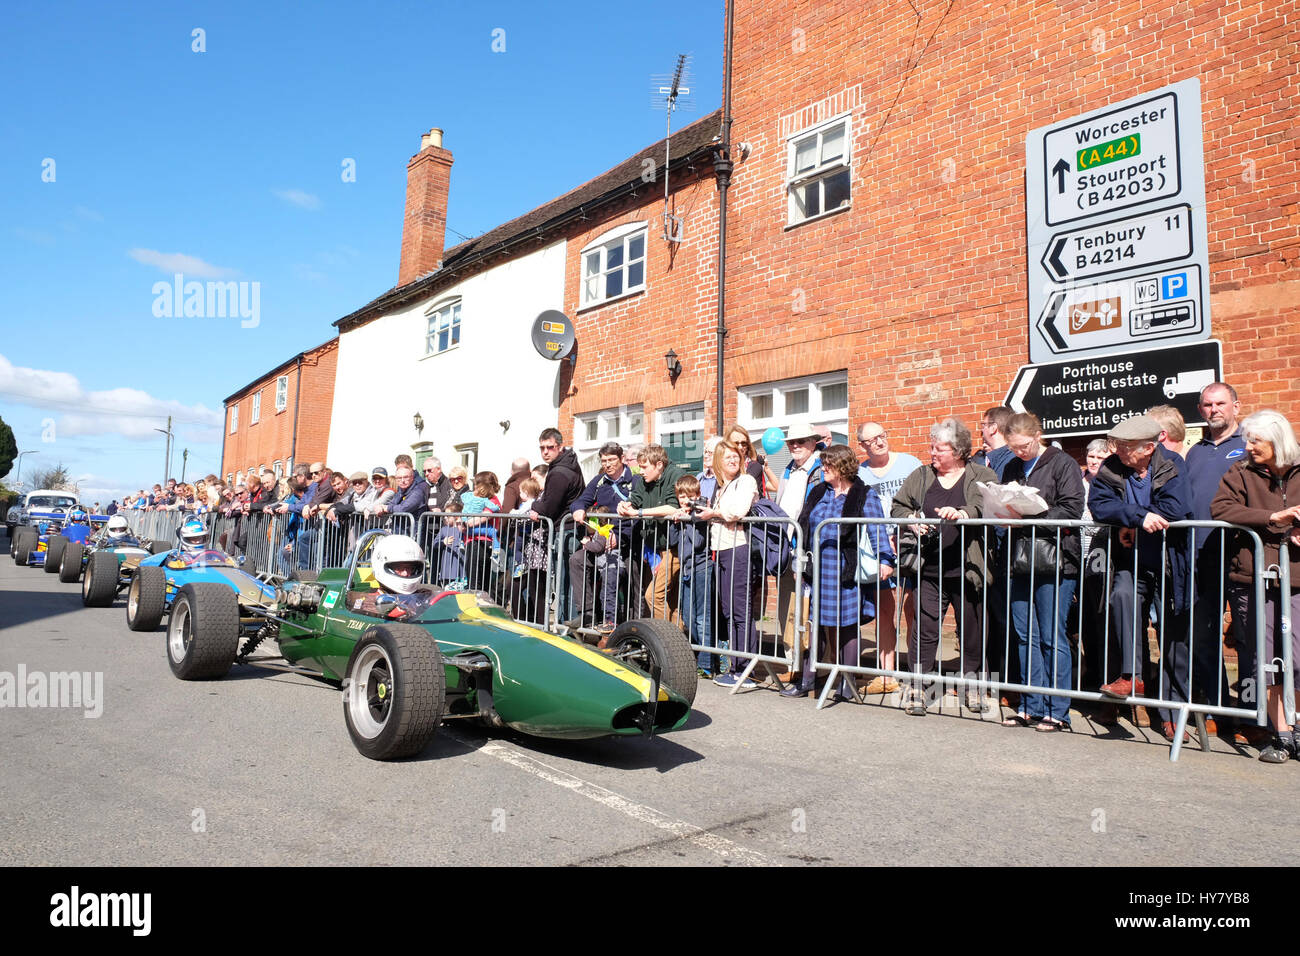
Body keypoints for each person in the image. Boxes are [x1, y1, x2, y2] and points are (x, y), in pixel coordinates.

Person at [1087, 414, 1194, 740]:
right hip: (1131, 561)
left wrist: (1142, 513)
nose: (1118, 451)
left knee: (1173, 639)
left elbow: (1177, 507)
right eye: (1117, 445)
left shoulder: (1172, 463)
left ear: (1149, 447)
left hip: (1169, 563)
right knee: (1121, 597)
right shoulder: (1112, 468)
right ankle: (1131, 676)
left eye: (1126, 447)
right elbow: (1099, 505)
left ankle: (1173, 712)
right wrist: (1139, 515)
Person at [1212, 409, 1300, 763]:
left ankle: (1297, 727)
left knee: (1298, 656)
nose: (1247, 446)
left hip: (1295, 577)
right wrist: (1272, 517)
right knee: (1269, 660)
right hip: (1254, 577)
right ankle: (1280, 735)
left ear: (1277, 442)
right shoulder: (1241, 471)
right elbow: (1220, 509)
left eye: (1255, 441)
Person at [891, 417, 996, 716]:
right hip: (930, 569)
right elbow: (899, 506)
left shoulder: (981, 473)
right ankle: (918, 688)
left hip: (969, 569)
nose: (933, 453)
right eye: (932, 447)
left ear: (959, 450)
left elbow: (987, 505)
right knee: (924, 631)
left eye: (939, 449)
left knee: (973, 632)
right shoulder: (921, 475)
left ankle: (972, 687)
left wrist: (963, 513)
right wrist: (912, 520)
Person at [999, 413, 1085, 731]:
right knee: (1026, 636)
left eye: (1023, 446)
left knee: (1052, 636)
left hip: (1056, 560)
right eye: (1013, 447)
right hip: (1019, 558)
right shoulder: (1010, 466)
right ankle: (1030, 705)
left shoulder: (1063, 464)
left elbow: (1072, 508)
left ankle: (1057, 709)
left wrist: (1031, 513)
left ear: (1038, 435)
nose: (1019, 452)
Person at [790, 444, 895, 700]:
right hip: (819, 569)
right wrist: (799, 560)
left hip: (846, 570)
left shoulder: (863, 495)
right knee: (815, 625)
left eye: (828, 464)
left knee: (847, 627)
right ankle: (807, 680)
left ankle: (847, 685)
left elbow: (876, 528)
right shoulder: (818, 492)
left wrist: (885, 558)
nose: (823, 468)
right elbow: (803, 525)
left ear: (842, 467)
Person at [1185, 382, 1254, 741]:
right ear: (1200, 410)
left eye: (1221, 403)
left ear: (1236, 407)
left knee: (1247, 639)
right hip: (1202, 557)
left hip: (1242, 555)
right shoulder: (1194, 452)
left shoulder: (1249, 446)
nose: (1214, 410)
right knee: (1205, 637)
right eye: (1208, 404)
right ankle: (1216, 710)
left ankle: (1250, 716)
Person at [857, 420, 923, 693]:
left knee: (912, 610)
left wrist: (906, 527)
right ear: (862, 445)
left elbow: (924, 501)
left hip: (908, 545)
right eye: (872, 440)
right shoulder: (861, 473)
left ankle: (918, 671)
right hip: (877, 549)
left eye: (882, 436)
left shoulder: (910, 464)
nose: (880, 442)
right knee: (885, 611)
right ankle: (887, 675)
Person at [700, 440, 761, 688]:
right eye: (728, 458)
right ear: (718, 462)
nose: (734, 460)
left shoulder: (745, 481)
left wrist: (713, 513)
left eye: (736, 457)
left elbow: (736, 511)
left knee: (740, 611)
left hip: (739, 549)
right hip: (722, 549)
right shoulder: (721, 486)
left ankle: (746, 669)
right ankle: (735, 666)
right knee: (728, 611)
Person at [773, 420, 825, 688]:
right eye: (791, 442)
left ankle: (810, 667)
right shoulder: (788, 469)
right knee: (787, 606)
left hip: (808, 548)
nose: (794, 446)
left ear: (813, 442)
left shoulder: (820, 469)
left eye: (800, 441)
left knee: (809, 608)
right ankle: (791, 662)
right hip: (787, 546)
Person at [568, 443, 635, 633]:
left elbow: (638, 515)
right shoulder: (599, 481)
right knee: (576, 560)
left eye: (612, 460)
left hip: (625, 542)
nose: (607, 464)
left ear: (621, 459)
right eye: (604, 460)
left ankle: (611, 620)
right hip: (599, 539)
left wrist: (620, 536)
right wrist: (579, 509)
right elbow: (581, 500)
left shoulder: (634, 481)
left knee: (610, 570)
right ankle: (587, 612)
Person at [618, 444, 686, 622]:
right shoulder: (644, 480)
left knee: (653, 596)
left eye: (644, 467)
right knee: (666, 600)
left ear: (659, 465)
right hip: (654, 548)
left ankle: (669, 641)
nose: (641, 471)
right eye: (639, 467)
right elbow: (635, 499)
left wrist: (638, 513)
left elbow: (672, 507)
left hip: (674, 548)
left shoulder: (675, 475)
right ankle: (676, 643)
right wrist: (625, 505)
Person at [669, 473, 715, 674]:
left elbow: (697, 542)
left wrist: (690, 519)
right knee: (687, 616)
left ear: (697, 495)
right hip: (687, 569)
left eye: (689, 496)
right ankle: (702, 652)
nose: (685, 500)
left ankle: (706, 663)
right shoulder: (682, 516)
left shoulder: (700, 516)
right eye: (681, 496)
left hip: (702, 567)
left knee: (702, 617)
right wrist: (676, 522)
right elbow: (673, 541)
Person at [351, 534, 435, 619]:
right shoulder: (371, 601)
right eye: (399, 568)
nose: (405, 573)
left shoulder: (423, 595)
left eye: (410, 568)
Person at [461, 471, 502, 592]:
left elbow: (475, 521)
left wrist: (465, 521)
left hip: (482, 543)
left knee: (478, 582)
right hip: (471, 541)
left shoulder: (493, 501)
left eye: (477, 484)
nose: (474, 488)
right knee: (472, 579)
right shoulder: (476, 498)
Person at [725, 423, 778, 496]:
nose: (740, 447)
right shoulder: (722, 466)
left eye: (743, 443)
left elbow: (776, 487)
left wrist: (766, 469)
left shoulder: (753, 467)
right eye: (736, 443)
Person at [973, 407, 1015, 478]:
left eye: (984, 425)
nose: (982, 430)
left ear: (993, 428)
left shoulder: (1012, 462)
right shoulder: (985, 459)